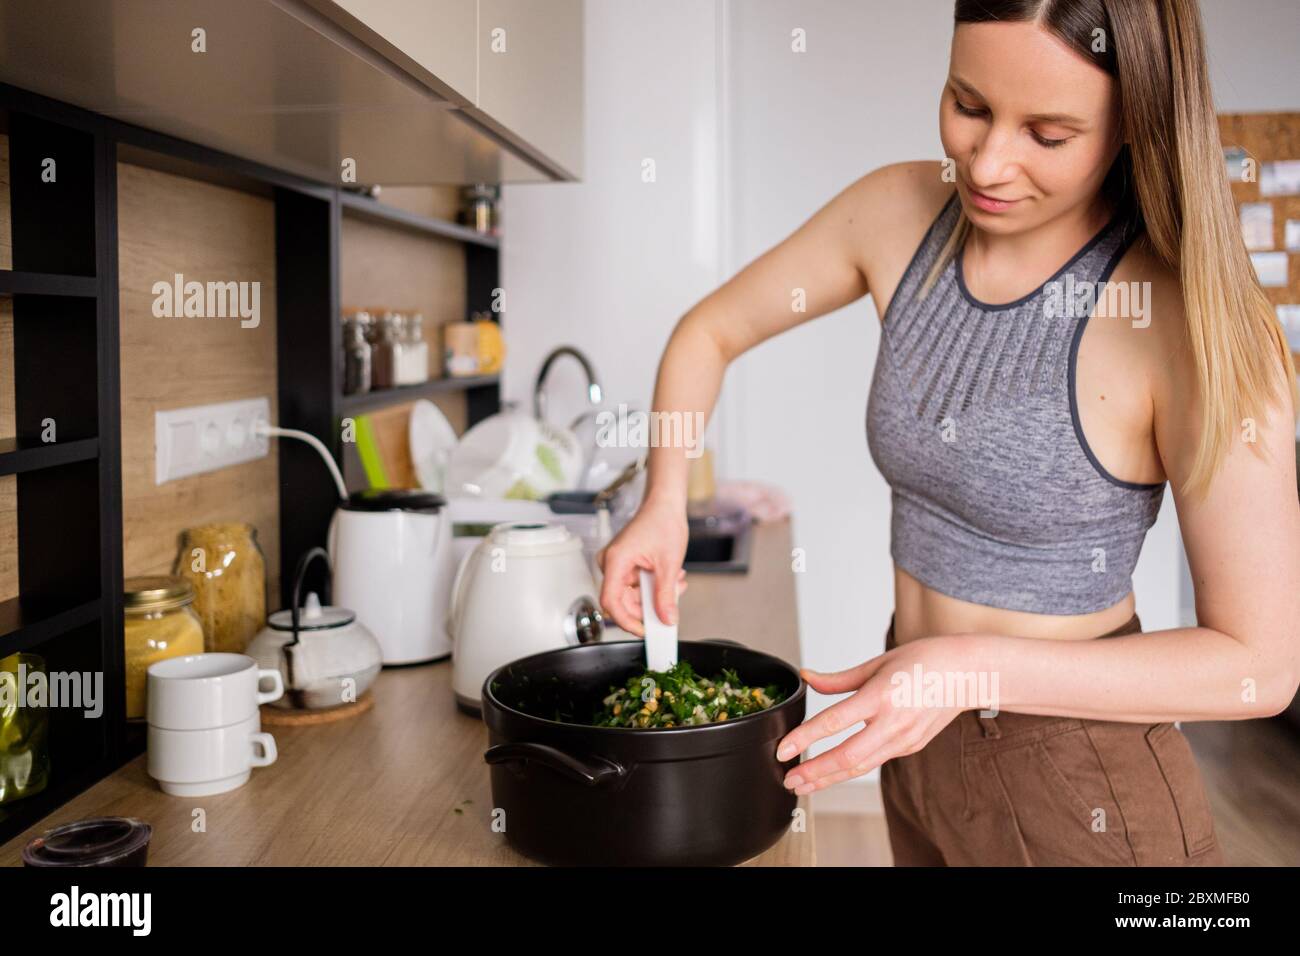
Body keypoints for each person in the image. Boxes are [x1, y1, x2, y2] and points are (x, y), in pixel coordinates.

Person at [595, 0, 1299, 866]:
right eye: (969, 105)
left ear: (1133, 126)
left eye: (1048, 134)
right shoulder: (897, 213)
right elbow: (710, 330)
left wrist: (966, 670)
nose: (990, 162)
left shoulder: (1186, 322)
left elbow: (1260, 667)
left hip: (1081, 777)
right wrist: (665, 499)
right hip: (916, 734)